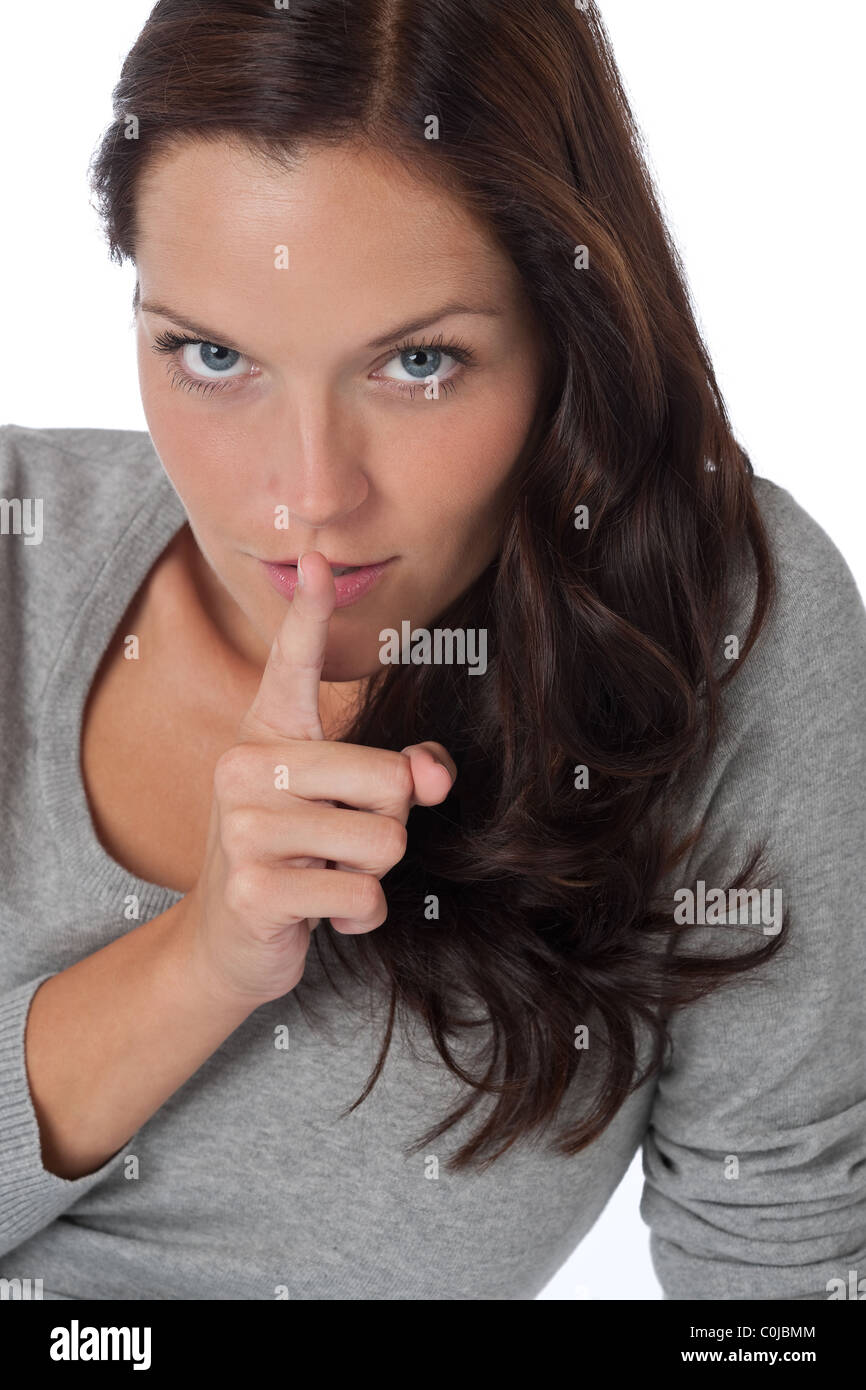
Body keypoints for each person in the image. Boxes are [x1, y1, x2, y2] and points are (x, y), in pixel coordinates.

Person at [1, 0, 864, 1301]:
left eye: (417, 361)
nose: (305, 495)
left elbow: (782, 1272)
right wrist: (203, 958)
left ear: (568, 340)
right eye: (211, 353)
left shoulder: (709, 619)